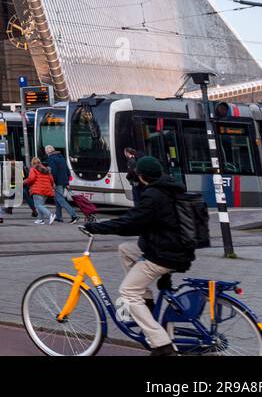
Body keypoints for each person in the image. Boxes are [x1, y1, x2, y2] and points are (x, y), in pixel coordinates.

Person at [84, 155, 195, 356]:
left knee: (127, 292)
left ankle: (162, 344)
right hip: (178, 249)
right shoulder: (169, 189)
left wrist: (97, 228)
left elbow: (131, 223)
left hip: (163, 254)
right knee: (126, 249)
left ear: (142, 176)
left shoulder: (153, 195)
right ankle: (146, 301)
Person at [45, 145, 80, 223]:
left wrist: (52, 182)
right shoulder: (61, 157)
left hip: (57, 182)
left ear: (47, 151)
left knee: (60, 199)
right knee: (57, 199)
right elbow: (67, 171)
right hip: (63, 182)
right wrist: (67, 182)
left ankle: (74, 215)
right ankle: (59, 217)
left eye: (46, 151)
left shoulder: (51, 158)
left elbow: (53, 172)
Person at [24, 155, 55, 225]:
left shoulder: (33, 169)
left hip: (37, 189)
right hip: (47, 189)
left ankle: (50, 215)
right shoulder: (46, 169)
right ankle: (40, 219)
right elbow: (51, 179)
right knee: (41, 205)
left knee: (38, 205)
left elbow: (31, 179)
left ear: (32, 163)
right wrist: (52, 186)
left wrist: (25, 182)